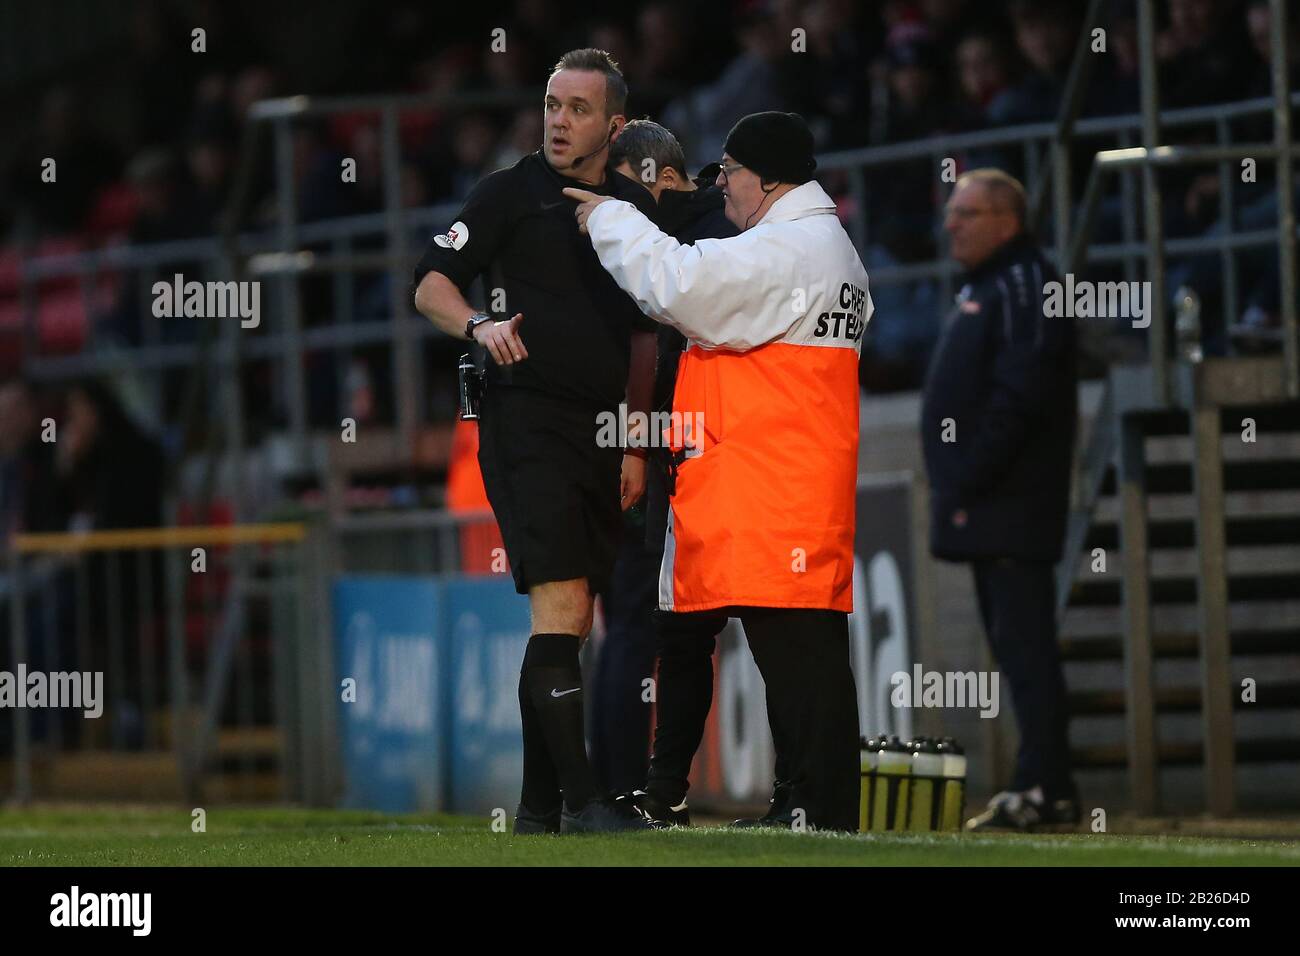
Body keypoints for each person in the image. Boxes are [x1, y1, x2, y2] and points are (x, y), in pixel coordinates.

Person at [565, 111, 870, 831]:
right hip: (785, 485)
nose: (722, 185)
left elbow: (678, 285)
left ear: (765, 179)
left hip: (772, 488)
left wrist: (611, 217)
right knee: (803, 662)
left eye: (730, 170)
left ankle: (816, 813)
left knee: (800, 667)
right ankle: (803, 806)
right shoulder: (827, 251)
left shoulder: (793, 250)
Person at [412, 49, 660, 834]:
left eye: (577, 109)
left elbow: (644, 338)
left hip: (600, 427)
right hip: (525, 421)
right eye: (552, 104)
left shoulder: (629, 207)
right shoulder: (507, 194)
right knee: (561, 601)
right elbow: (429, 283)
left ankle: (535, 808)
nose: (558, 120)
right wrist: (479, 325)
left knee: (572, 618)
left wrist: (633, 439)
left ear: (614, 125)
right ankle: (585, 801)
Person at [919, 169, 1081, 831]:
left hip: (1013, 505)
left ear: (1007, 222)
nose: (951, 225)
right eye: (951, 214)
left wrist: (969, 475)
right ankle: (1046, 783)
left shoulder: (1025, 286)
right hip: (994, 505)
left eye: (968, 214)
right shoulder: (991, 287)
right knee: (1017, 651)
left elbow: (1020, 398)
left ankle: (1044, 786)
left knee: (1026, 650)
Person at [590, 120, 737, 808]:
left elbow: (652, 347)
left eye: (628, 192)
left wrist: (635, 445)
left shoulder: (702, 241)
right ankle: (639, 786)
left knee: (656, 626)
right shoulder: (692, 234)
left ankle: (629, 785)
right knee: (654, 628)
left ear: (664, 179)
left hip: (695, 459)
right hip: (667, 454)